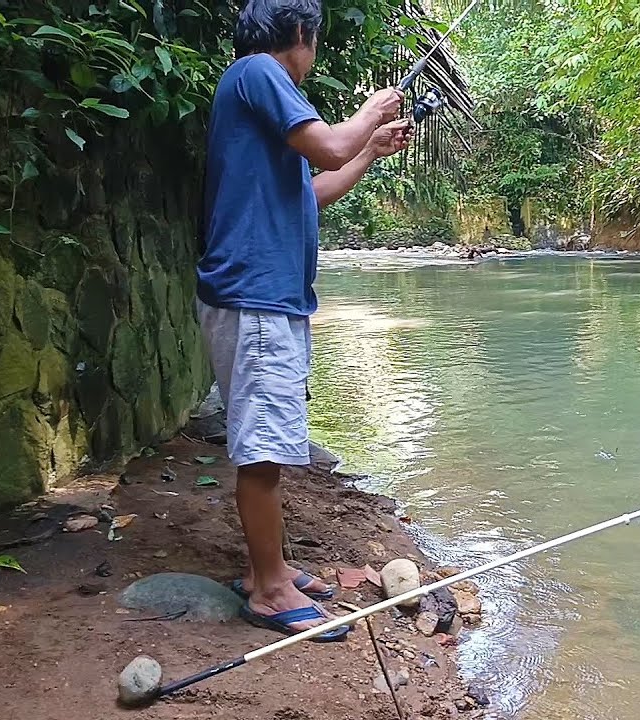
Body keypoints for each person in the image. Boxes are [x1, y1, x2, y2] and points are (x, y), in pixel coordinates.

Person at [195, 0, 412, 641]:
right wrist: (369, 112)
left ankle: (274, 564)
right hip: (255, 297)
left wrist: (367, 148)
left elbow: (311, 191)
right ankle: (267, 589)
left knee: (271, 442)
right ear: (300, 34)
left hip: (269, 298)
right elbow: (329, 142)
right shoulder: (261, 72)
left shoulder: (261, 104)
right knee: (264, 448)